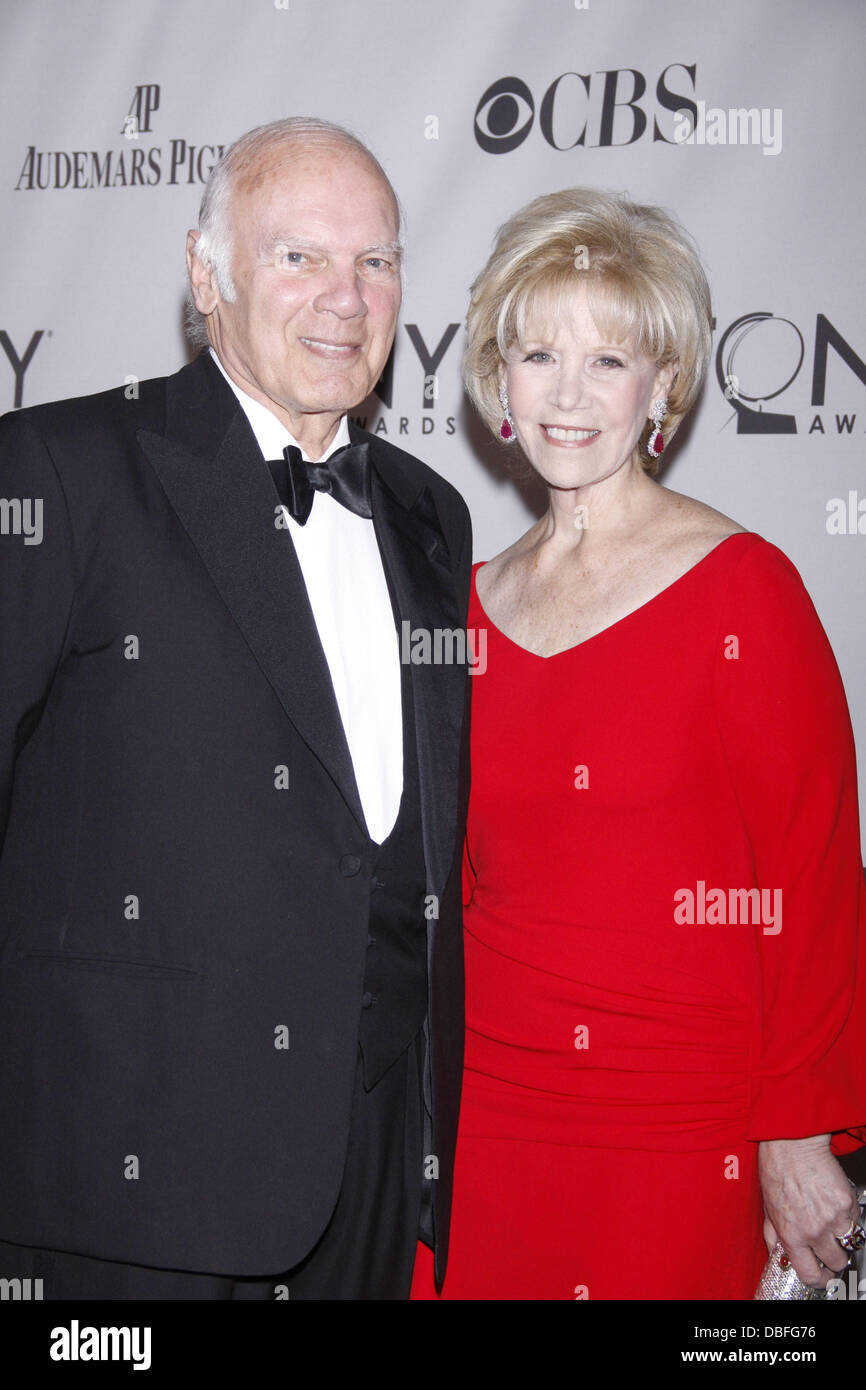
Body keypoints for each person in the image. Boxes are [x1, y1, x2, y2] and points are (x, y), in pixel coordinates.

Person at [0, 117, 472, 1300]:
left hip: (362, 1174)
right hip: (127, 1177)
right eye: (298, 256)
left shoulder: (427, 514)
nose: (345, 298)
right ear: (206, 273)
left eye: (375, 262)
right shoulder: (61, 469)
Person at [411, 186, 866, 1301]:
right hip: (481, 1117)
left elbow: (808, 881)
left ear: (661, 386)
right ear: (495, 379)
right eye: (536, 354)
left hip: (677, 1130)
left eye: (607, 361)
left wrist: (795, 1139)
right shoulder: (454, 606)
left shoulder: (744, 590)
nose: (567, 395)